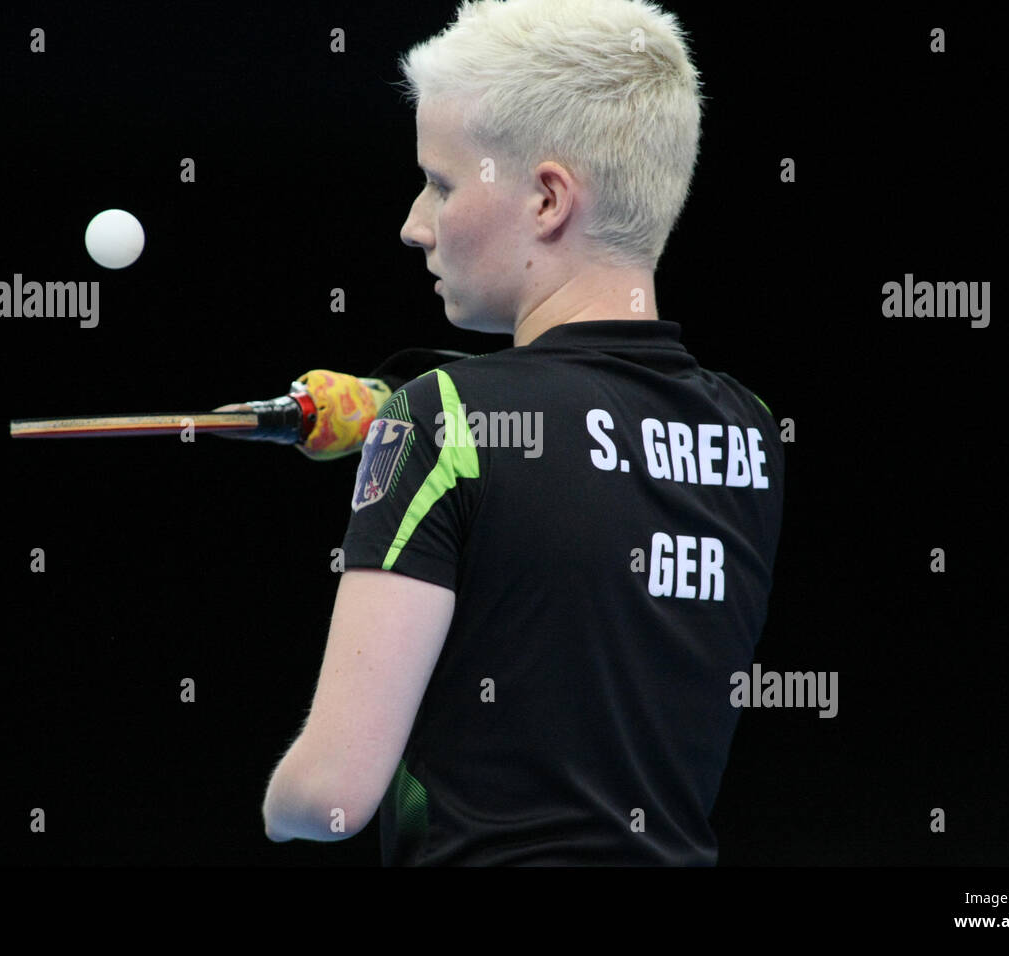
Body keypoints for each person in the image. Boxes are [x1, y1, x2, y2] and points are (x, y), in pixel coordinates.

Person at [262, 0, 785, 865]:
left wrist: (275, 803)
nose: (414, 224)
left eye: (442, 183)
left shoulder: (443, 417)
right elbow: (580, 445)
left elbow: (331, 798)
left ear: (547, 198)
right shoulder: (751, 430)